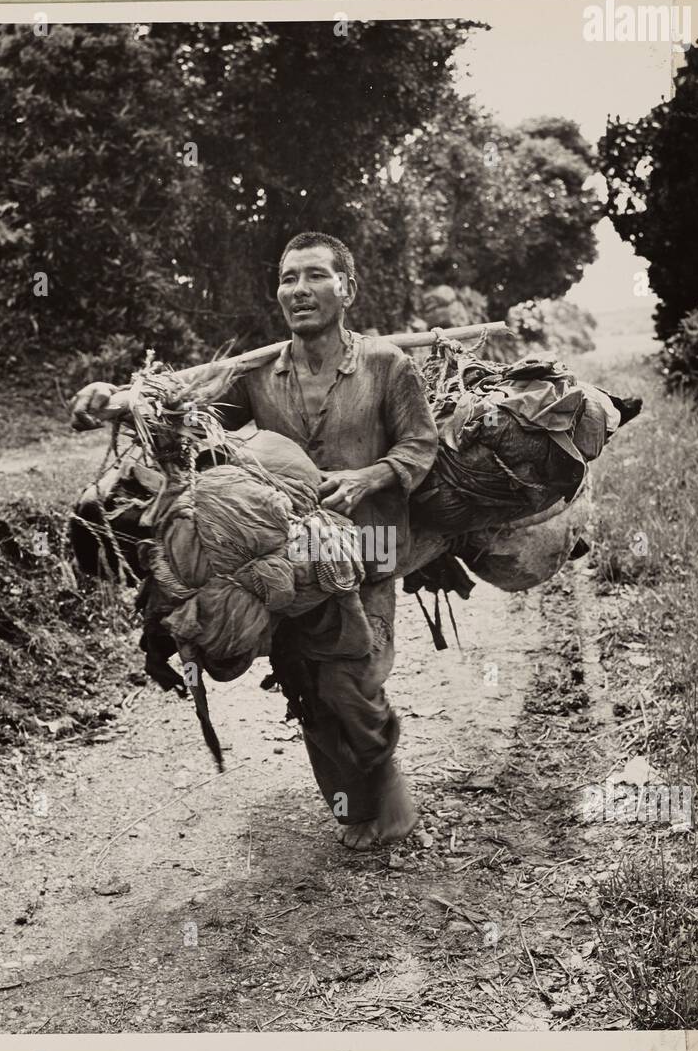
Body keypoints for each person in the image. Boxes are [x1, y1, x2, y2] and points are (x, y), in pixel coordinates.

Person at [72, 232, 438, 851]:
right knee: (304, 679)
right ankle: (355, 809)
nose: (300, 289)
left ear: (347, 288)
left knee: (354, 679)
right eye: (289, 277)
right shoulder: (259, 374)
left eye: (316, 275)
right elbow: (183, 404)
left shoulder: (386, 367)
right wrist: (118, 402)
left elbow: (420, 447)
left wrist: (368, 476)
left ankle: (389, 797)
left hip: (366, 545)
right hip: (288, 554)